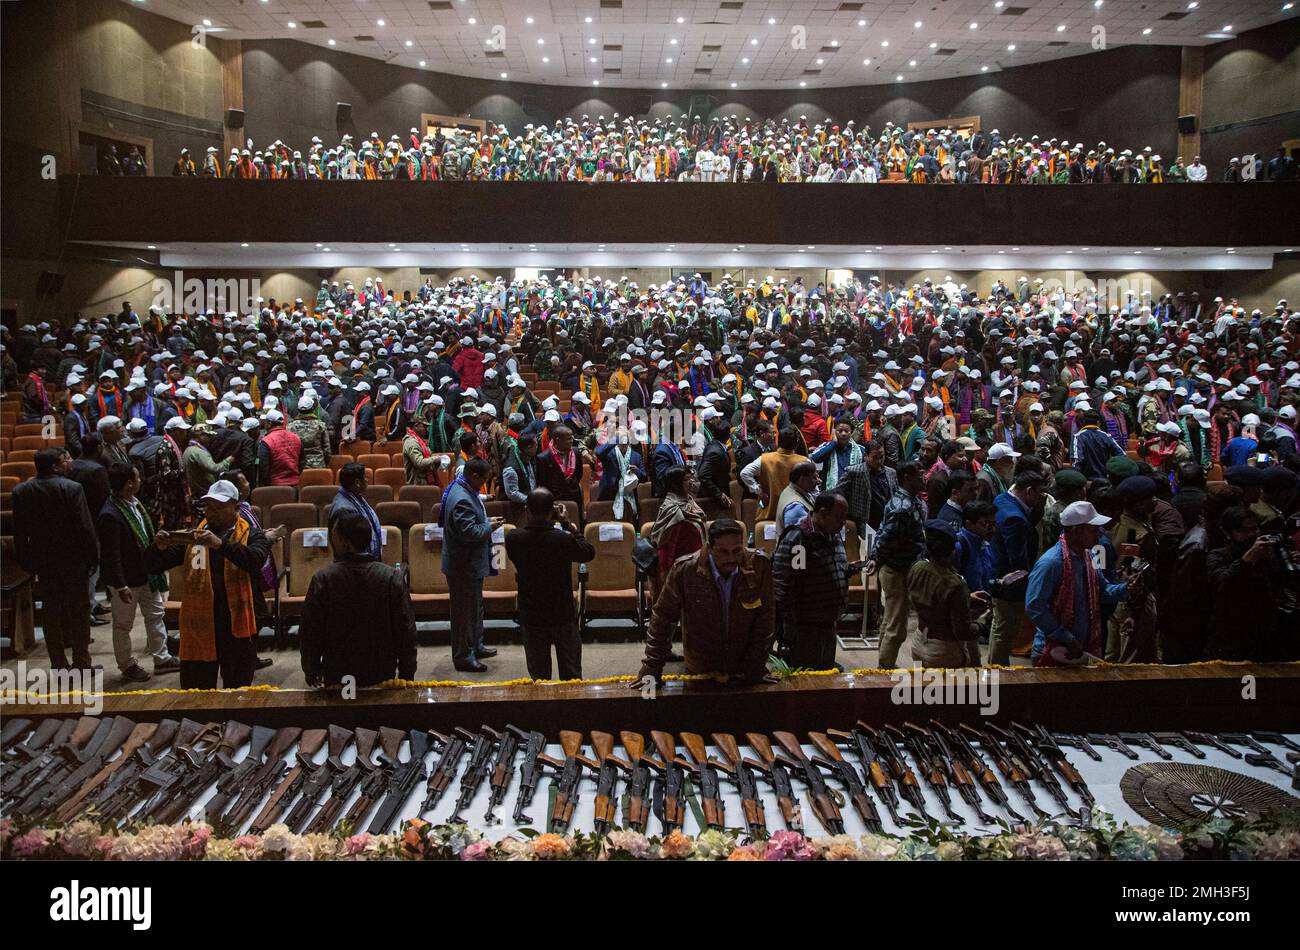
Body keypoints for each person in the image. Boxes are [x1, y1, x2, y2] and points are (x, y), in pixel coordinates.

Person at [141, 479, 271, 688]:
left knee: (238, 689)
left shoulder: (252, 534)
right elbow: (152, 565)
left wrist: (220, 544)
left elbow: (255, 560)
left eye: (219, 508)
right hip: (200, 623)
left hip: (237, 624)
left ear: (236, 507)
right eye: (209, 507)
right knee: (197, 690)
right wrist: (159, 548)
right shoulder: (193, 537)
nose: (212, 512)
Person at [636, 519, 775, 686]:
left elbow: (765, 618)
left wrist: (757, 665)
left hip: (745, 666)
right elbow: (663, 618)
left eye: (737, 550)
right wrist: (652, 666)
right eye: (723, 552)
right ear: (709, 548)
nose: (731, 558)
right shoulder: (686, 570)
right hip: (701, 667)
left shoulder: (759, 566)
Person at [299, 510, 418, 687]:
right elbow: (405, 630)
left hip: (338, 675)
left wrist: (312, 669)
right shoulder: (391, 577)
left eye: (335, 537)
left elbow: (311, 632)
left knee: (343, 713)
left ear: (345, 543)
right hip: (382, 671)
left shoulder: (323, 579)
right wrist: (407, 673)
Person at [12, 448, 99, 670]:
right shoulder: (72, 488)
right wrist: (93, 557)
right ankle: (82, 662)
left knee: (51, 612)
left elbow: (20, 532)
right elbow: (84, 527)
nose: (69, 463)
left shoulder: (21, 491)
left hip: (43, 562)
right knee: (79, 613)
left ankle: (58, 664)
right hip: (74, 560)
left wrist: (27, 563)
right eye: (65, 460)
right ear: (55, 466)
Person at [96, 461, 181, 681]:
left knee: (155, 616)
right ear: (129, 484)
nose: (141, 480)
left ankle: (162, 658)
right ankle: (127, 665)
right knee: (123, 625)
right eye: (137, 477)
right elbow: (111, 555)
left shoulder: (134, 503)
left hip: (147, 573)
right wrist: (120, 584)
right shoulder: (110, 514)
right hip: (126, 581)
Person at [504, 487, 597, 680]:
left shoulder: (513, 538)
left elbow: (524, 539)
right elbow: (588, 552)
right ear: (552, 513)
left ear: (527, 511)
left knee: (539, 675)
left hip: (531, 612)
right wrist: (568, 524)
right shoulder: (563, 539)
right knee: (571, 674)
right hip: (561, 611)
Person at [1025, 501, 1131, 665]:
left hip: (1081, 647)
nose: (1099, 534)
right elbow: (1034, 607)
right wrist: (1066, 638)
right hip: (1053, 650)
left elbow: (1102, 591)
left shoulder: (1090, 556)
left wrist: (1128, 588)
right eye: (1093, 530)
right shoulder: (1051, 563)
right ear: (1076, 531)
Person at [772, 492, 851, 670]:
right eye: (839, 517)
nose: (843, 522)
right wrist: (788, 626)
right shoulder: (800, 540)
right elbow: (787, 583)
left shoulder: (832, 534)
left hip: (828, 626)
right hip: (805, 629)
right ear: (822, 513)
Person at [440, 456, 505, 672]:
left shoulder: (464, 490)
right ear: (474, 476)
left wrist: (486, 522)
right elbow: (469, 532)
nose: (485, 483)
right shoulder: (462, 499)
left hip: (470, 563)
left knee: (474, 609)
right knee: (463, 614)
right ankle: (463, 656)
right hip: (462, 566)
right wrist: (490, 527)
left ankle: (476, 645)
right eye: (484, 479)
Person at [865, 460, 927, 668]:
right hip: (896, 570)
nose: (924, 477)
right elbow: (886, 538)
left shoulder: (909, 501)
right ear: (907, 478)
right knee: (896, 626)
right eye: (920, 474)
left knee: (890, 620)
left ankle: (884, 665)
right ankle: (886, 669)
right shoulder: (903, 507)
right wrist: (876, 558)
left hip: (901, 569)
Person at [907, 520, 989, 668]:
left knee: (920, 690)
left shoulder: (917, 568)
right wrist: (982, 624)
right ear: (953, 550)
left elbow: (932, 600)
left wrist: (967, 599)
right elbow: (962, 632)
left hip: (919, 641)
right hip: (944, 650)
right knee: (950, 692)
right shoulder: (955, 584)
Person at [988, 469, 1047, 665]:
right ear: (1029, 491)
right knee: (1004, 629)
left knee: (999, 625)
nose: (1042, 497)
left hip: (997, 573)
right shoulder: (1016, 519)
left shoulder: (1002, 499)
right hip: (1009, 583)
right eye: (1040, 493)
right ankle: (998, 670)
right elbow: (1018, 562)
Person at [836, 439, 897, 535]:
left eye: (882, 457)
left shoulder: (891, 473)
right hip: (862, 524)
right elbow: (838, 493)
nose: (879, 461)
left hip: (886, 523)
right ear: (866, 456)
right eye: (875, 457)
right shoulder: (854, 472)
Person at [329, 463, 383, 560]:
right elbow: (346, 545)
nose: (367, 480)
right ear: (357, 482)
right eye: (365, 477)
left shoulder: (356, 499)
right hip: (352, 569)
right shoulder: (343, 509)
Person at [775, 460, 820, 528]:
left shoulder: (791, 489)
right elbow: (798, 536)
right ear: (802, 479)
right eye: (814, 478)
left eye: (818, 477)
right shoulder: (796, 507)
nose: (819, 481)